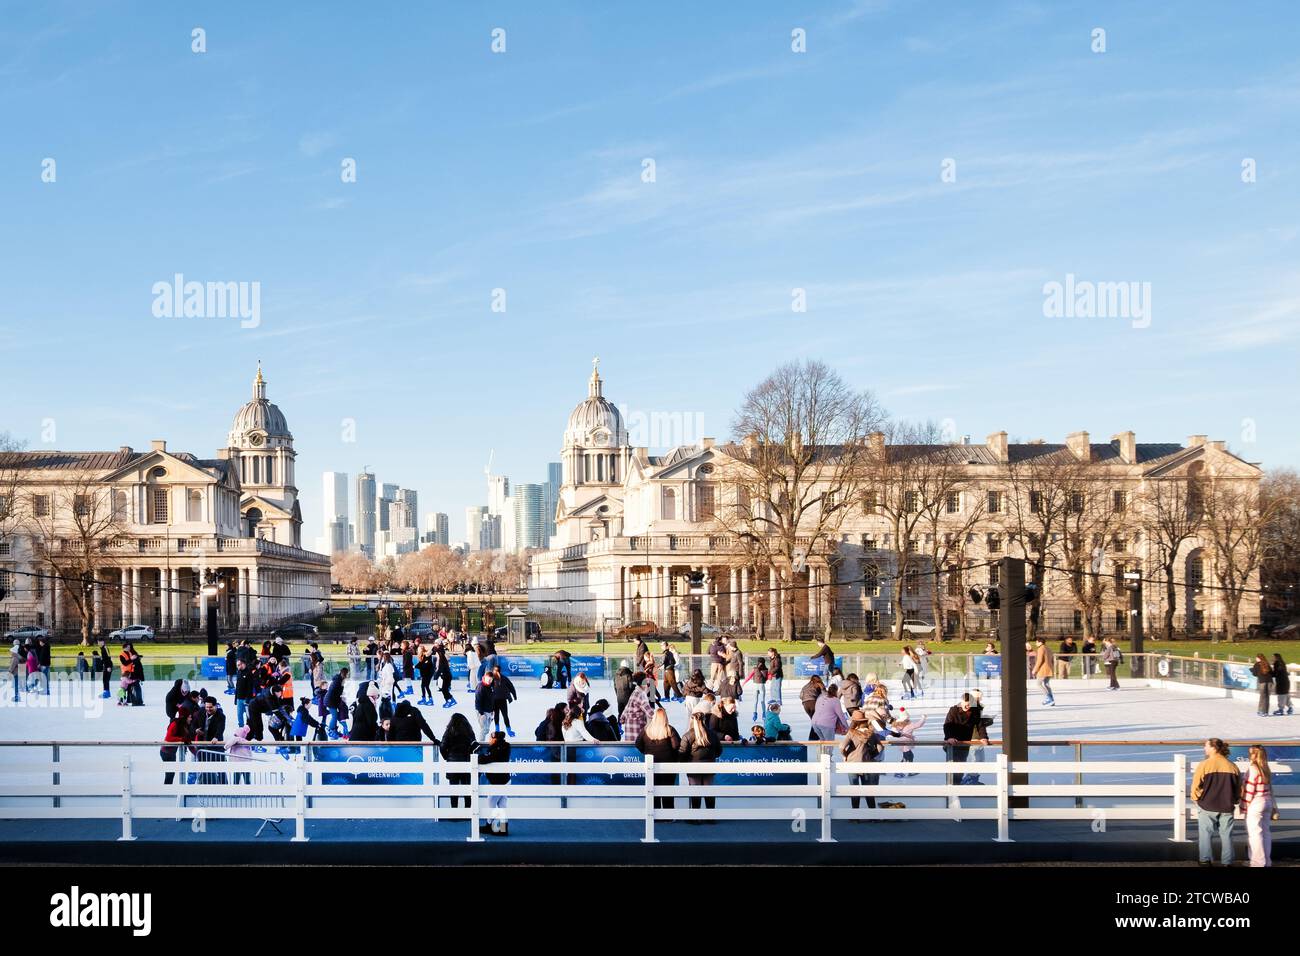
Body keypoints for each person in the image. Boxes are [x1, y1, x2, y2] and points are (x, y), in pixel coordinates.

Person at [1192, 738, 1242, 866]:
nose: (1204, 748)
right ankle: (1227, 862)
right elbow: (1238, 789)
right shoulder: (1233, 766)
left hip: (1207, 805)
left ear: (1213, 748)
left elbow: (1195, 786)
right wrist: (1235, 800)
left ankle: (1205, 860)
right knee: (1227, 836)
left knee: (1205, 835)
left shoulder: (1204, 764)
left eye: (1206, 746)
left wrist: (1196, 799)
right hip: (1226, 806)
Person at [678, 709, 722, 820]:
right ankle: (710, 817)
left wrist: (684, 762)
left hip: (693, 766)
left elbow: (682, 753)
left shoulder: (687, 735)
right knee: (709, 790)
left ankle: (695, 817)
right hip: (709, 765)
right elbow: (719, 751)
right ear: (704, 720)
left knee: (695, 790)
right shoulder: (712, 734)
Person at [635, 707, 681, 810]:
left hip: (651, 764)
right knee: (668, 790)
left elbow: (638, 743)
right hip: (668, 765)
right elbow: (676, 746)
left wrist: (646, 752)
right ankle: (668, 814)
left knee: (653, 789)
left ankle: (655, 813)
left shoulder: (647, 729)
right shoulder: (670, 729)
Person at [943, 693, 983, 807]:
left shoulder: (975, 711)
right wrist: (949, 737)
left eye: (970, 705)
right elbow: (947, 725)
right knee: (953, 768)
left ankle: (955, 791)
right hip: (952, 744)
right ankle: (951, 793)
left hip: (964, 744)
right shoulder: (954, 710)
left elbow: (980, 725)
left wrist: (984, 737)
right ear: (962, 702)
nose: (968, 707)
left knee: (960, 768)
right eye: (966, 704)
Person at [842, 713, 886, 814]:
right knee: (867, 790)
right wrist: (872, 755)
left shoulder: (852, 733)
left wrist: (845, 756)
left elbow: (841, 746)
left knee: (854, 789)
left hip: (852, 764)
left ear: (854, 722)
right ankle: (872, 815)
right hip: (866, 764)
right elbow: (880, 747)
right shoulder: (871, 733)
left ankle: (855, 816)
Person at [1241, 744, 1273, 867]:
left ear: (1253, 755)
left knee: (1255, 834)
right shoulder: (1266, 768)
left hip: (1256, 802)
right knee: (1265, 833)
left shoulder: (1253, 769)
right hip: (1267, 801)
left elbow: (1249, 790)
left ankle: (1257, 862)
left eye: (1250, 753)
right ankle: (1266, 861)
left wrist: (1244, 807)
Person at [439, 712, 476, 809]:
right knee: (467, 789)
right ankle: (468, 813)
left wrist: (447, 757)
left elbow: (442, 747)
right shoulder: (469, 731)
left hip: (453, 764)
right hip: (466, 763)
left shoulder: (449, 731)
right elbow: (474, 746)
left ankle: (454, 813)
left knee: (454, 790)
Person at [478, 730, 512, 836]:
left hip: (499, 782)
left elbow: (487, 758)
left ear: (495, 739)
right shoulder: (503, 747)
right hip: (504, 780)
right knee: (502, 805)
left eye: (490, 738)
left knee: (491, 803)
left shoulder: (497, 749)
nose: (489, 740)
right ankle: (503, 828)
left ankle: (489, 825)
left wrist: (479, 757)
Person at [888, 707, 926, 777]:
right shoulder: (909, 725)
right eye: (908, 718)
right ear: (906, 718)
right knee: (907, 757)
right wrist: (923, 718)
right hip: (906, 743)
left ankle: (908, 771)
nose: (909, 719)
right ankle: (899, 772)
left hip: (902, 743)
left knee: (909, 756)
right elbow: (918, 725)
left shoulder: (898, 724)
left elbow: (893, 730)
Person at [620, 675, 655, 743]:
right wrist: (660, 717)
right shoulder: (641, 695)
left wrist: (622, 718)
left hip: (629, 731)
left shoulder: (635, 692)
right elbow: (650, 713)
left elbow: (627, 707)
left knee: (631, 752)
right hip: (637, 730)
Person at [490, 665, 517, 737]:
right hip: (499, 700)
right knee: (502, 715)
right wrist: (514, 696)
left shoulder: (497, 678)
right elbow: (511, 686)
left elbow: (511, 686)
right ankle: (505, 730)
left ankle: (500, 730)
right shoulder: (499, 678)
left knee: (499, 715)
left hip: (498, 700)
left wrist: (514, 695)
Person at [325, 666, 350, 739]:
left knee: (335, 716)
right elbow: (336, 692)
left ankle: (334, 730)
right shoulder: (338, 681)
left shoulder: (338, 679)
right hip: (330, 701)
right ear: (345, 674)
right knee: (334, 716)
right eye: (347, 674)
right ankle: (330, 730)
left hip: (332, 701)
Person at [743, 656, 769, 721]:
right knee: (759, 701)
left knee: (759, 701)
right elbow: (767, 677)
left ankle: (759, 713)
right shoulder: (763, 670)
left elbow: (750, 676)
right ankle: (759, 713)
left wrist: (744, 682)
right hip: (759, 686)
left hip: (758, 685)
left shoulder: (758, 669)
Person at [474, 671, 497, 741]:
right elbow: (478, 701)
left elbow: (492, 699)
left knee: (486, 730)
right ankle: (481, 744)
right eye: (488, 679)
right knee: (483, 729)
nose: (489, 681)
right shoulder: (481, 687)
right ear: (485, 677)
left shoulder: (491, 686)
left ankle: (481, 742)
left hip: (489, 710)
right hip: (482, 711)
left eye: (491, 679)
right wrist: (481, 713)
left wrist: (493, 710)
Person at [1033, 638, 1055, 706]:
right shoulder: (1048, 648)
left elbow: (1039, 660)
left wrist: (1035, 670)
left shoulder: (1041, 649)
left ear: (1040, 642)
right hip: (1049, 669)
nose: (1035, 643)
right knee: (1046, 684)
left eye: (1036, 642)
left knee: (1039, 684)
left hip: (1043, 669)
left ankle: (1049, 699)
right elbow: (1052, 659)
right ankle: (1051, 700)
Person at [434, 642, 456, 707]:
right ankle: (452, 700)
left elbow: (440, 668)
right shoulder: (442, 658)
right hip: (446, 676)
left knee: (444, 690)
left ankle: (449, 701)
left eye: (438, 653)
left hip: (447, 676)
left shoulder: (442, 659)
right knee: (444, 690)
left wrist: (436, 675)